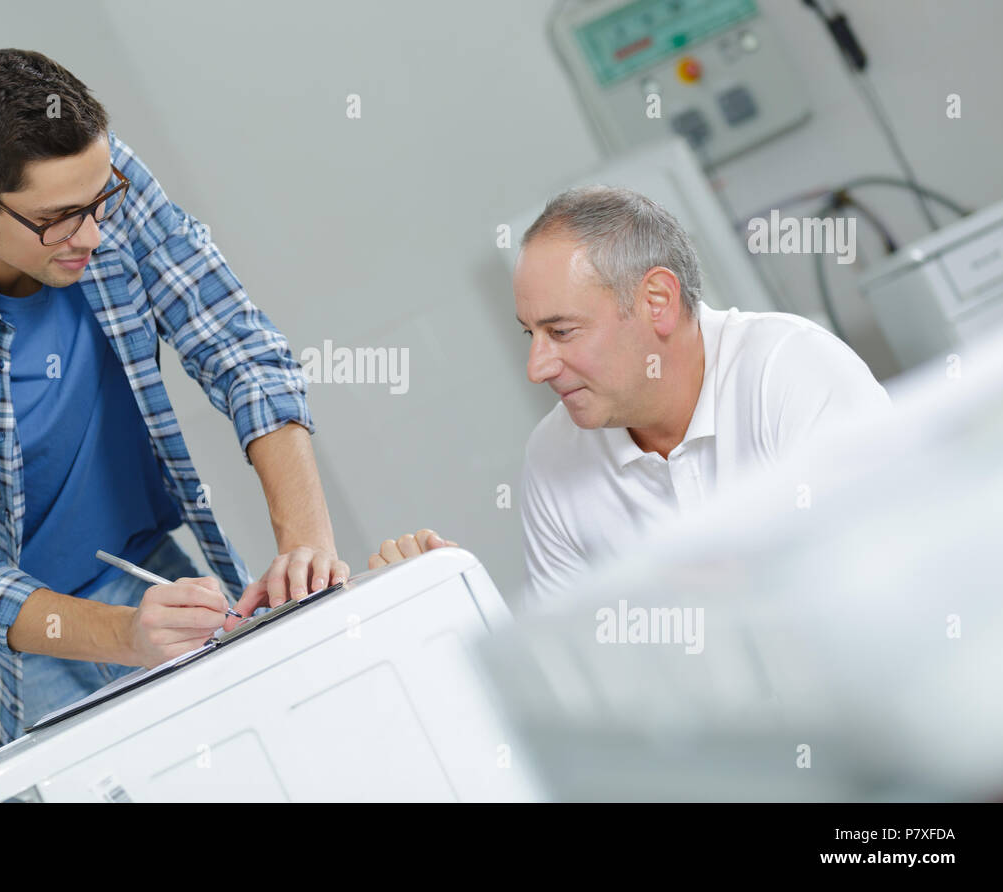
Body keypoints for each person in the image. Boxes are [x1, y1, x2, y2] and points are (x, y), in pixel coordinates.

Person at [0, 49, 347, 759]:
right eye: (59, 220)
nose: (93, 235)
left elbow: (240, 349)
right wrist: (124, 635)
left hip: (143, 569)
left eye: (100, 204)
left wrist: (307, 545)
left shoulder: (95, 179)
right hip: (2, 646)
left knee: (264, 759)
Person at [369, 186, 891, 606]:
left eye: (563, 331)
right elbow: (585, 676)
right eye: (531, 334)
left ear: (657, 301)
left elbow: (889, 581)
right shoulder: (554, 455)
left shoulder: (791, 371)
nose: (537, 368)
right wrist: (440, 603)